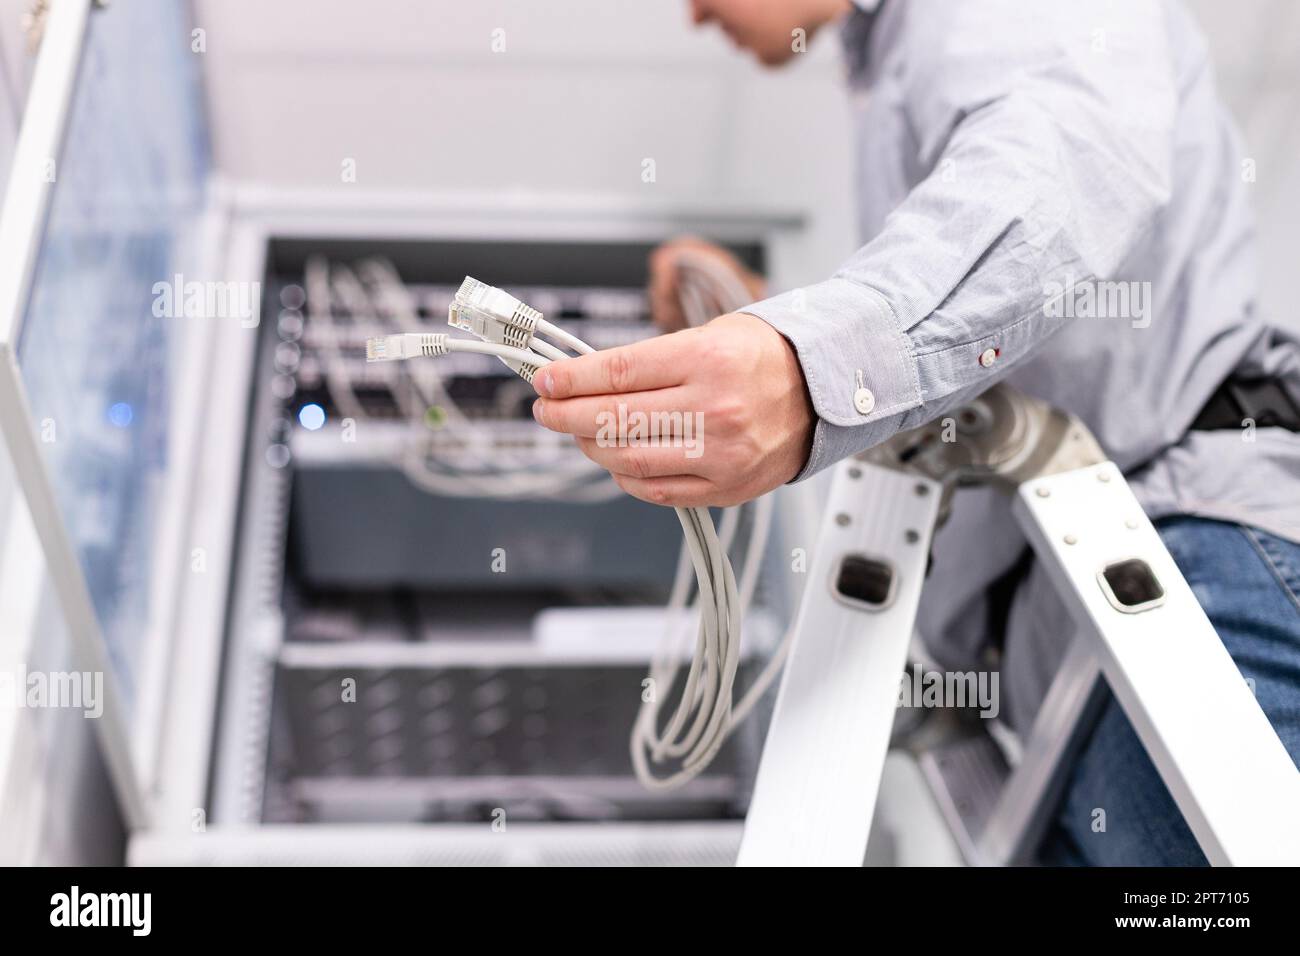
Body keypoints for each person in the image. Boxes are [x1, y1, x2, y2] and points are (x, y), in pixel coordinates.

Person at [529, 0, 1300, 864]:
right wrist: (769, 325)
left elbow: (1067, 156)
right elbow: (992, 325)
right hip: (1077, 662)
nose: (696, 13)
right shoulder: (898, 56)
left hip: (1186, 586)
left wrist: (807, 367)